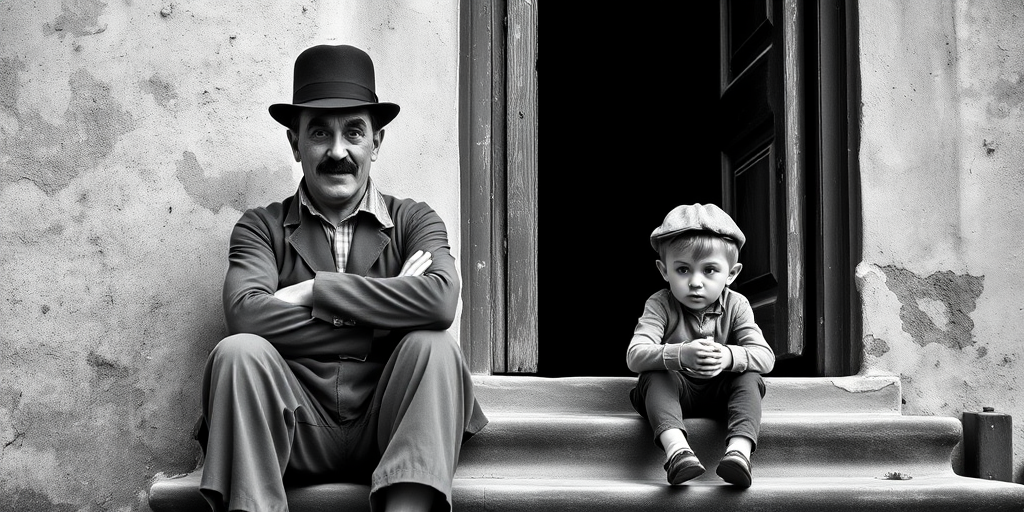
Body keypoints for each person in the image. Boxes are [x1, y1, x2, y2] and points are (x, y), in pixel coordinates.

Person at [194, 44, 488, 512]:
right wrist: (382, 321)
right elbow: (246, 315)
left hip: (389, 424)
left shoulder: (415, 220)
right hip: (294, 427)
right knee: (238, 352)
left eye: (353, 132)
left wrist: (315, 290)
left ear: (377, 142)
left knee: (433, 346)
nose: (337, 151)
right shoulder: (260, 227)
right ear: (295, 143)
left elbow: (439, 304)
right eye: (319, 133)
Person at [625, 203, 775, 488]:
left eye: (709, 270)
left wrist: (728, 356)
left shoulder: (737, 304)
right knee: (653, 375)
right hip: (674, 394)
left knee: (750, 377)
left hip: (721, 396)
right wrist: (680, 355)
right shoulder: (660, 304)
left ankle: (739, 454)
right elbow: (635, 355)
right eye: (683, 269)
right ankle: (677, 452)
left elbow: (765, 357)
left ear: (731, 274)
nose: (695, 282)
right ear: (664, 270)